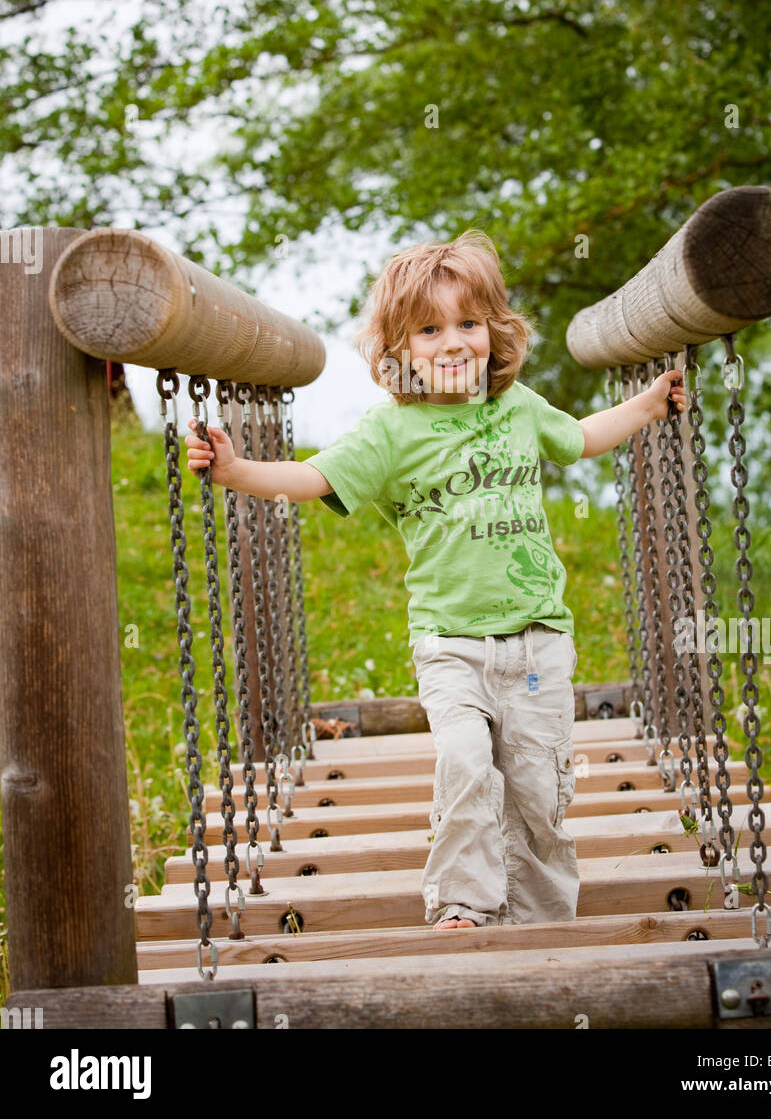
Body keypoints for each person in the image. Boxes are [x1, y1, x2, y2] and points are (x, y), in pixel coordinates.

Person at [184, 230, 686, 930]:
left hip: (540, 641)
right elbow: (313, 476)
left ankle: (544, 917)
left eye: (468, 324)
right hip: (451, 643)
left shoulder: (517, 408)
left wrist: (646, 405)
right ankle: (463, 902)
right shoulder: (392, 432)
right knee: (465, 764)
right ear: (400, 351)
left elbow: (579, 436)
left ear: (495, 332)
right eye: (429, 330)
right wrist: (237, 472)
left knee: (539, 787)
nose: (453, 343)